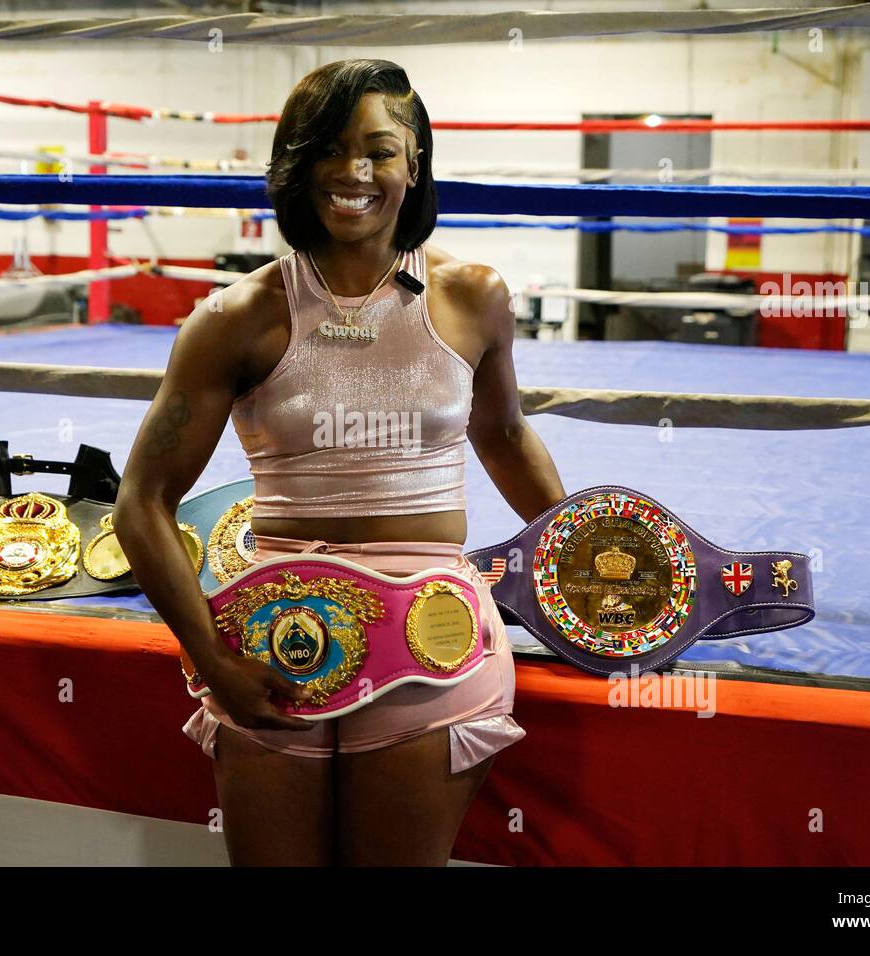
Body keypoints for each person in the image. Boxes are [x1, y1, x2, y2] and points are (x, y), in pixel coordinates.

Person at [113, 58, 565, 866]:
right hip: (270, 642)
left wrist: (578, 576)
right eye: (328, 146)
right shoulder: (234, 318)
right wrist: (214, 662)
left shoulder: (474, 298)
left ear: (414, 162)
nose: (353, 172)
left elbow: (503, 435)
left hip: (435, 640)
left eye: (379, 150)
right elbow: (140, 502)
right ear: (294, 160)